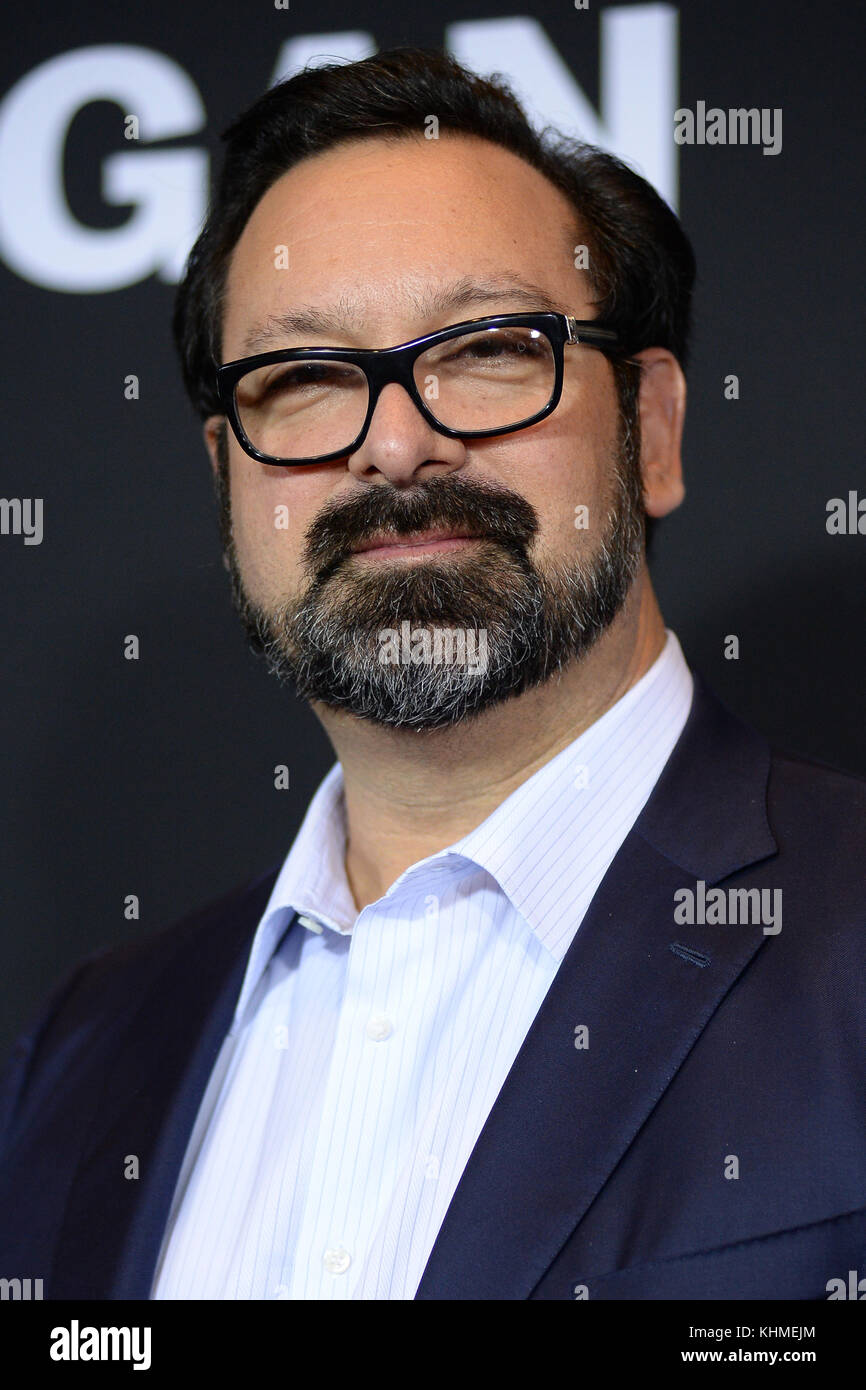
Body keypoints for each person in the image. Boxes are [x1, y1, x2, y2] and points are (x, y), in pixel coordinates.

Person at [1, 47, 864, 1303]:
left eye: (490, 349)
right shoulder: (85, 1054)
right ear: (226, 480)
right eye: (302, 378)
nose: (397, 442)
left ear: (653, 430)